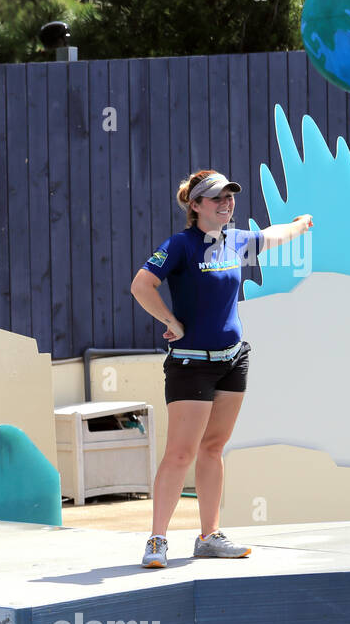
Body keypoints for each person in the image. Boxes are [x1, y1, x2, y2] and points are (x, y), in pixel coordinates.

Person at [130, 170, 313, 568]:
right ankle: (157, 540)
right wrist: (171, 322)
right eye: (216, 198)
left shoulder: (236, 241)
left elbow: (273, 235)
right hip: (191, 365)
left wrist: (301, 225)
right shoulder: (181, 245)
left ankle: (209, 536)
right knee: (180, 454)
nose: (226, 203)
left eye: (229, 196)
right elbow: (142, 285)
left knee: (213, 448)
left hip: (233, 359)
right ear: (194, 206)